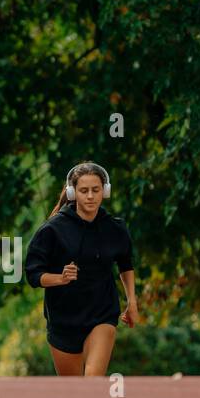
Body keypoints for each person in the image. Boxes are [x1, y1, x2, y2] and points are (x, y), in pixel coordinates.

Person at [25, 161, 138, 376]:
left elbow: (125, 264)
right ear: (72, 192)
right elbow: (33, 274)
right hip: (63, 318)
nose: (90, 196)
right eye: (83, 190)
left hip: (102, 313)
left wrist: (131, 301)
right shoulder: (52, 230)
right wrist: (60, 278)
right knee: (73, 393)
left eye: (95, 190)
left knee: (93, 382)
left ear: (104, 191)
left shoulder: (114, 228)